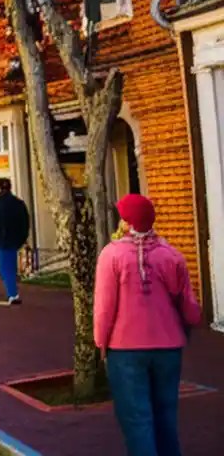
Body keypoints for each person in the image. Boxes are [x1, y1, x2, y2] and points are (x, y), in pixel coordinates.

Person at [95, 194, 201, 456]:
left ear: (124, 221)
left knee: (137, 419)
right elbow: (190, 309)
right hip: (168, 346)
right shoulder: (172, 255)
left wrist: (101, 342)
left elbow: (104, 308)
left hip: (125, 348)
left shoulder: (112, 255)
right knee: (166, 416)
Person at [0, 177, 30, 305]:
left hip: (1, 240)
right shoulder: (18, 203)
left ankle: (12, 293)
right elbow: (25, 221)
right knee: (10, 265)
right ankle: (12, 291)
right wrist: (23, 237)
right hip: (14, 239)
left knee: (5, 267)